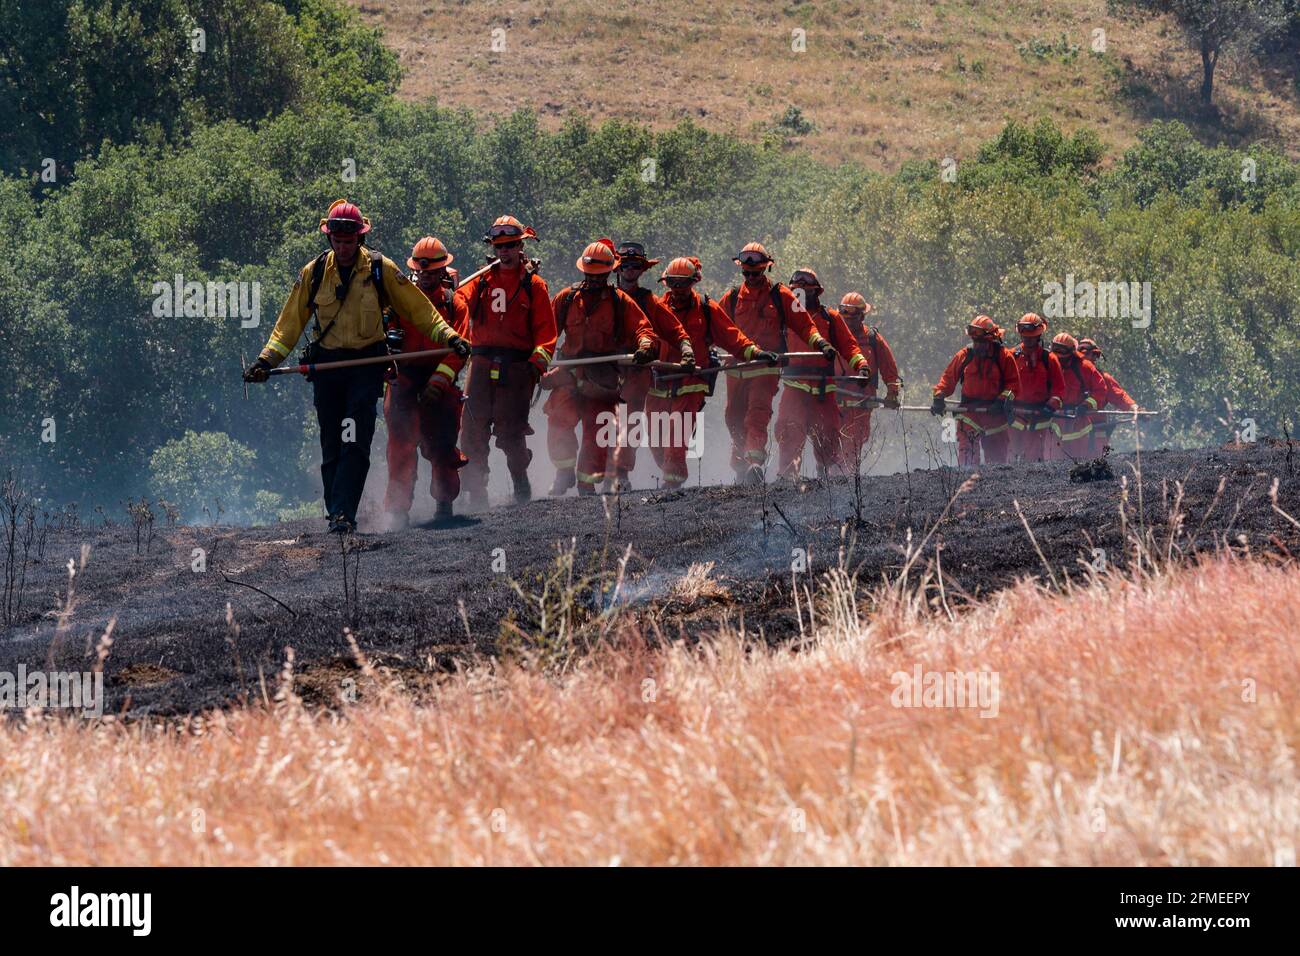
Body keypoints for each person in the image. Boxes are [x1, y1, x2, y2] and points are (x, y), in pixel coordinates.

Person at [243, 200, 468, 533]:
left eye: (349, 241)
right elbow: (288, 324)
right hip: (329, 370)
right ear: (329, 238)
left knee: (354, 439)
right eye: (338, 241)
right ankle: (336, 511)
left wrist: (450, 337)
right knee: (332, 441)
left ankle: (344, 514)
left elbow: (419, 310)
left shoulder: (380, 270)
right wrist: (266, 360)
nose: (344, 247)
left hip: (366, 368)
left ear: (360, 238)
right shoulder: (314, 273)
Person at [645, 257, 775, 488]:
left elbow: (731, 336)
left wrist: (755, 353)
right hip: (660, 380)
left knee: (678, 432)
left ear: (693, 282)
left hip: (691, 381)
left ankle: (671, 484)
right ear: (666, 283)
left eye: (683, 283)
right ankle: (668, 472)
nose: (678, 289)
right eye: (673, 283)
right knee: (655, 439)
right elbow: (643, 334)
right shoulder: (656, 308)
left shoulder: (706, 308)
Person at [455, 215, 556, 509]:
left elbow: (546, 333)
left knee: (511, 432)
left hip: (517, 367)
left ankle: (521, 482)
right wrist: (452, 290)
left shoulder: (534, 286)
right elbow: (460, 302)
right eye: (500, 246)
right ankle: (476, 494)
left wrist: (535, 366)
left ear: (520, 246)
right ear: (493, 248)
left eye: (510, 245)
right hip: (482, 362)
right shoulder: (480, 281)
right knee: (472, 430)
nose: (505, 251)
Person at [542, 239, 658, 496]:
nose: (593, 281)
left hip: (603, 379)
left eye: (599, 276)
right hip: (569, 373)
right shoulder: (567, 298)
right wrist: (539, 361)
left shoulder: (620, 301)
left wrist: (646, 346)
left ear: (609, 273)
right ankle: (563, 471)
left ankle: (586, 485)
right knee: (559, 420)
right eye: (589, 275)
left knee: (596, 434)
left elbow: (643, 328)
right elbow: (547, 334)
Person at [719, 242, 837, 484]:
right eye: (747, 273)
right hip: (736, 371)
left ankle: (754, 463)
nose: (751, 277)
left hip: (766, 369)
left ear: (766, 269)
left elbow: (804, 325)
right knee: (733, 418)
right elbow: (715, 329)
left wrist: (820, 344)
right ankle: (741, 467)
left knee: (757, 415)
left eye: (756, 272)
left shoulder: (781, 296)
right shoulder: (731, 298)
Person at [380, 237, 471, 528]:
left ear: (443, 271)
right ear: (414, 270)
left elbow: (462, 348)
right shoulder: (398, 303)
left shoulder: (454, 304)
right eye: (422, 272)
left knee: (442, 446)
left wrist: (439, 382)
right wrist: (389, 354)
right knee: (400, 447)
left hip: (440, 381)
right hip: (404, 379)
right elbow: (381, 342)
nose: (426, 277)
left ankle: (444, 503)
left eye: (432, 272)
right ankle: (397, 511)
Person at [610, 242, 692, 490]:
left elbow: (674, 328)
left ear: (642, 270)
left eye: (636, 266)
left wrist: (686, 348)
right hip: (604, 368)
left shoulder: (649, 301)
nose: (630, 270)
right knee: (599, 419)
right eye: (626, 265)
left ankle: (621, 474)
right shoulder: (604, 296)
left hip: (637, 369)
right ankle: (589, 474)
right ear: (617, 267)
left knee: (630, 420)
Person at [773, 269, 867, 478]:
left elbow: (849, 346)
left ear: (817, 292)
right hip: (794, 389)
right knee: (789, 431)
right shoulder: (785, 318)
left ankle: (824, 476)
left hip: (823, 391)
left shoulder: (830, 318)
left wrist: (862, 365)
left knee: (828, 435)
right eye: (797, 292)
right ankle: (788, 480)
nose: (801, 297)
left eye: (806, 291)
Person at [931, 315, 1020, 467]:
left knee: (998, 464)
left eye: (982, 342)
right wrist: (939, 396)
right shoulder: (965, 355)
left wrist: (1001, 400)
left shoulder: (1004, 357)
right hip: (969, 413)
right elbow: (948, 379)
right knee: (968, 454)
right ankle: (966, 485)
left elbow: (1014, 385)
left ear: (992, 340)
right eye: (975, 341)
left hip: (995, 414)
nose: (978, 345)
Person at [835, 292, 901, 467]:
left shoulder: (872, 339)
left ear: (862, 316)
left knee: (852, 445)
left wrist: (892, 394)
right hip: (833, 402)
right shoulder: (831, 336)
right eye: (845, 314)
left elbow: (890, 370)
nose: (848, 320)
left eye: (853, 314)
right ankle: (827, 477)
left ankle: (844, 484)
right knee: (828, 446)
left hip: (861, 403)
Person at [1008, 312, 1064, 463]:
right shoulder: (1012, 355)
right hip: (1015, 414)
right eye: (1025, 337)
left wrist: (1050, 406)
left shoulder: (1049, 359)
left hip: (1039, 415)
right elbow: (1004, 383)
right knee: (1009, 456)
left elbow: (1059, 389)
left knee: (1033, 458)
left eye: (1031, 337)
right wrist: (1002, 401)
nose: (1027, 340)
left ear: (1038, 336)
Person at [1046, 332, 1106, 460]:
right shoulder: (1047, 364)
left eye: (1063, 358)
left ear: (1072, 353)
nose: (1059, 361)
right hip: (1054, 421)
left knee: (1078, 463)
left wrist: (1086, 405)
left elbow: (1100, 390)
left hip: (1078, 424)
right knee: (1052, 465)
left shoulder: (1084, 367)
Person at [1078, 337, 1138, 456]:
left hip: (1097, 430)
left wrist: (1135, 408)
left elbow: (1119, 397)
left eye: (1094, 356)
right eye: (1088, 355)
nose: (1092, 360)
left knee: (1099, 462)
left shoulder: (1103, 378)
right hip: (1075, 430)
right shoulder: (1069, 375)